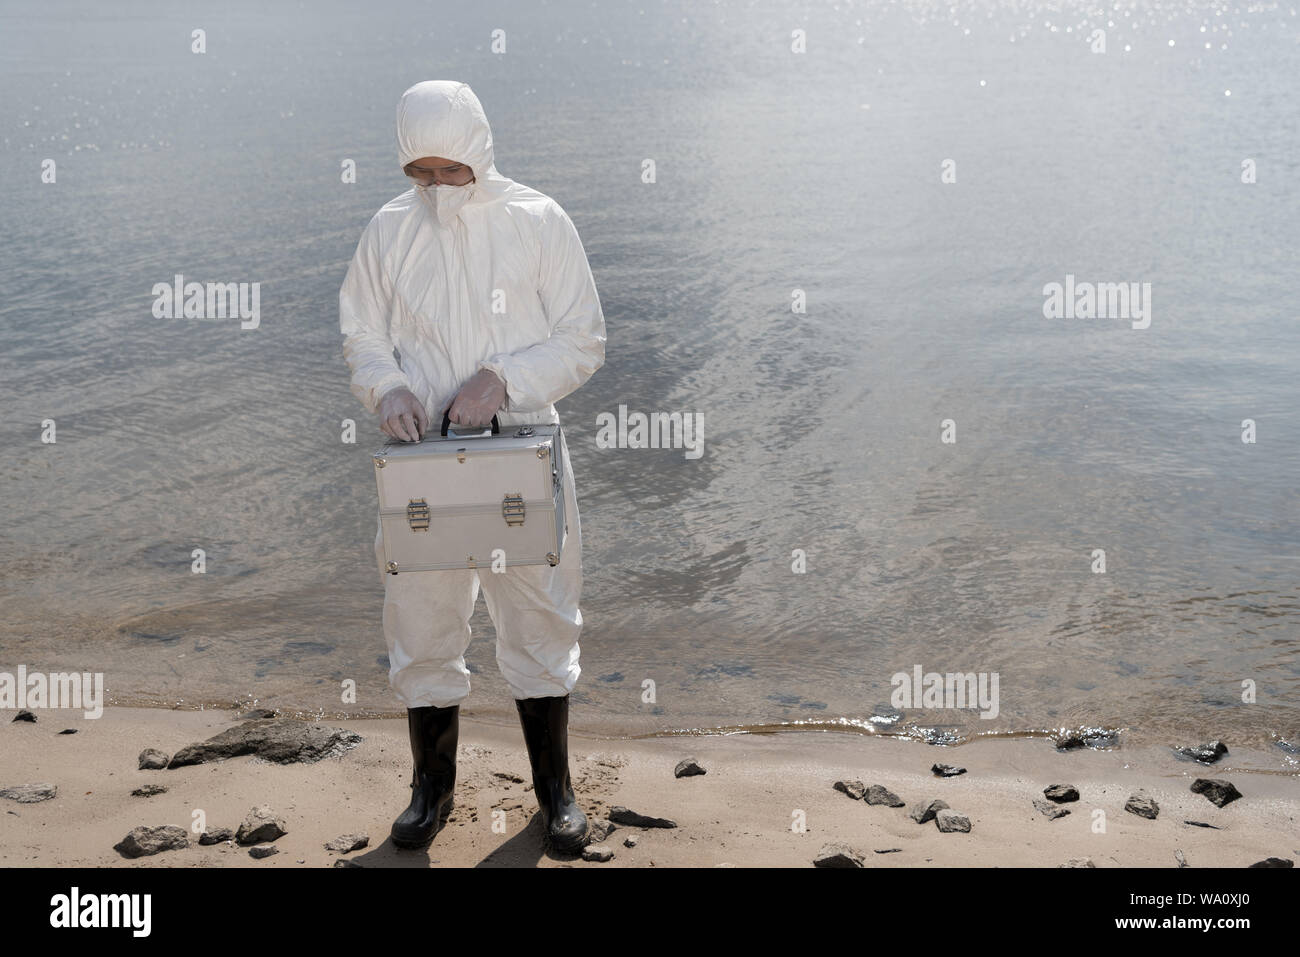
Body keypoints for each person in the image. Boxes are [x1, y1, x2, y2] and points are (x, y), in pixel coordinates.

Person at [338, 80, 606, 853]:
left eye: (451, 171)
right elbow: (362, 334)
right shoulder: (388, 230)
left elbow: (584, 338)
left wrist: (504, 380)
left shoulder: (538, 220)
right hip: (421, 463)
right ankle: (432, 788)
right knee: (420, 622)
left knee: (540, 617)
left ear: (480, 153)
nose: (437, 189)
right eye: (420, 173)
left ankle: (555, 790)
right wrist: (386, 386)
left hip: (521, 454)